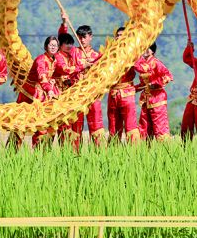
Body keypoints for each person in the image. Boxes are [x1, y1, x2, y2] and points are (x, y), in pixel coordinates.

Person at [58, 12, 105, 149]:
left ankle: (99, 154)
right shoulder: (73, 51)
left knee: (96, 126)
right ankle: (74, 155)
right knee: (75, 126)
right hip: (76, 95)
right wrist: (64, 23)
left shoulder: (97, 56)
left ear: (90, 37)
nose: (82, 40)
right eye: (79, 37)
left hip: (92, 95)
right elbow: (62, 38)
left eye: (84, 37)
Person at [7, 36, 60, 150]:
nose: (53, 47)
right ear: (46, 46)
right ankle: (11, 153)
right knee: (20, 124)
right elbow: (42, 77)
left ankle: (38, 154)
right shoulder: (41, 60)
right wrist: (49, 89)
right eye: (51, 45)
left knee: (41, 125)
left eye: (55, 45)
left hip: (41, 94)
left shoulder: (54, 60)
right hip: (29, 94)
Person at [134, 42, 174, 141]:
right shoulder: (142, 64)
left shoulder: (156, 63)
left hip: (157, 98)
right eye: (144, 47)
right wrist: (132, 89)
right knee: (144, 128)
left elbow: (168, 76)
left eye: (149, 48)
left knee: (160, 127)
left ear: (153, 51)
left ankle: (165, 152)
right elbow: (143, 84)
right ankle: (145, 152)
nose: (146, 50)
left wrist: (156, 83)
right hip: (146, 99)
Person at [107, 27, 139, 144]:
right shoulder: (109, 54)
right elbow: (99, 64)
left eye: (122, 35)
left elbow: (141, 67)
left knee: (130, 126)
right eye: (118, 35)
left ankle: (135, 153)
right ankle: (113, 153)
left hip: (127, 93)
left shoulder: (133, 53)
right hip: (113, 94)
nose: (119, 37)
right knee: (113, 127)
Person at [53, 32, 82, 150]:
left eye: (71, 43)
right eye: (66, 43)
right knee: (62, 123)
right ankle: (64, 150)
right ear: (60, 45)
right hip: (58, 94)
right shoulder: (58, 56)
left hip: (70, 95)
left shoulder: (70, 56)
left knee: (72, 123)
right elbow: (64, 69)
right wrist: (81, 67)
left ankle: (73, 151)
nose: (69, 46)